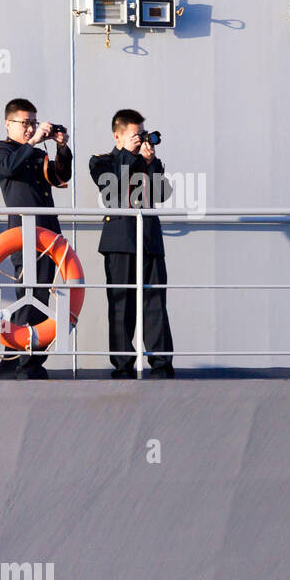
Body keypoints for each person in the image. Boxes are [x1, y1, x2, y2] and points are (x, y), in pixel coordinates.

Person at [89, 109, 175, 379]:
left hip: (150, 241)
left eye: (142, 135)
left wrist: (152, 162)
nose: (141, 140)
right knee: (121, 305)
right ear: (118, 136)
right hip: (120, 242)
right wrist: (128, 154)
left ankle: (161, 363)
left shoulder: (145, 161)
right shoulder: (101, 161)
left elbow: (162, 195)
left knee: (155, 304)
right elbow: (111, 189)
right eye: (135, 136)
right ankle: (123, 365)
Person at [0, 97, 71, 379]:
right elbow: (8, 168)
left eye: (33, 123)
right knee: (26, 296)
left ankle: (32, 360)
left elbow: (61, 175)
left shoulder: (35, 152)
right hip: (22, 234)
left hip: (47, 231)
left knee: (41, 295)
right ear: (8, 124)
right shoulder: (2, 149)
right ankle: (15, 360)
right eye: (25, 123)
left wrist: (62, 147)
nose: (30, 129)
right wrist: (33, 142)